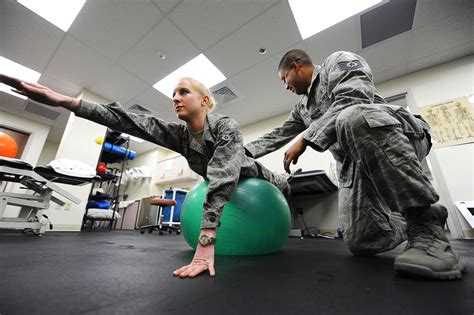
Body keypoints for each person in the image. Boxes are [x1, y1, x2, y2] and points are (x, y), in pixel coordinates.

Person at [0, 74, 291, 279]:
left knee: (283, 184)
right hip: (227, 181)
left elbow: (223, 175)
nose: (175, 98)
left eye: (183, 92)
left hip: (255, 177)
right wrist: (63, 100)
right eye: (173, 94)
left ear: (205, 100)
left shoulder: (227, 126)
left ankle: (287, 179)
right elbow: (126, 120)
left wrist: (206, 242)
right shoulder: (178, 135)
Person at [244, 50, 464, 280]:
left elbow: (355, 97)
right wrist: (238, 153)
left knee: (352, 117)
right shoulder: (302, 108)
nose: (285, 86)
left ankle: (427, 226)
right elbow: (277, 135)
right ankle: (405, 222)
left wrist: (307, 139)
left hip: (397, 133)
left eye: (284, 78)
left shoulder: (336, 62)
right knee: (362, 241)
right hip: (355, 162)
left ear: (296, 66)